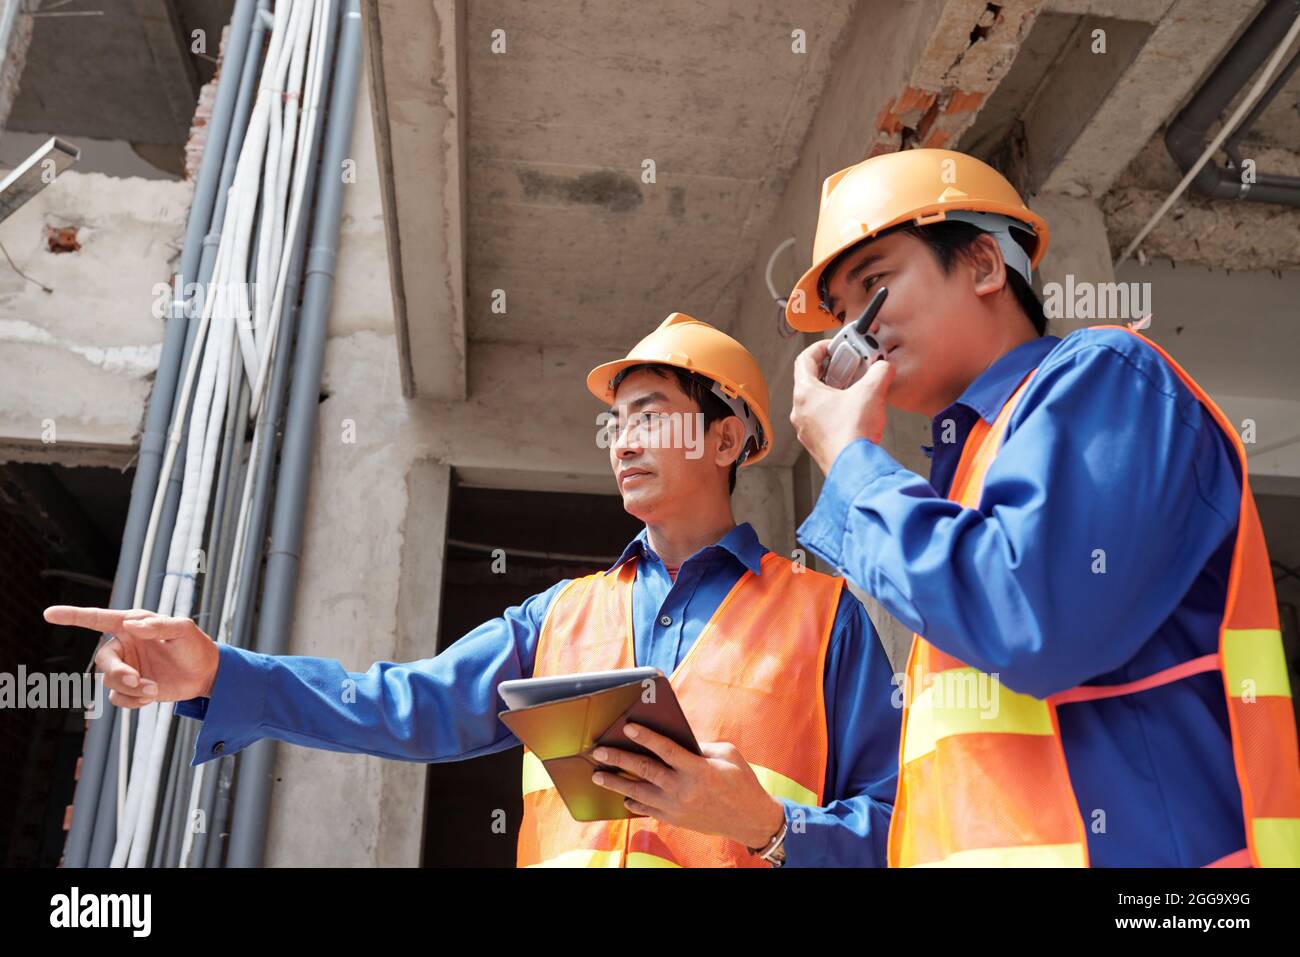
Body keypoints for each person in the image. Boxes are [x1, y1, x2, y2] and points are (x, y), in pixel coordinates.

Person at [47, 313, 900, 868]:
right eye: (617, 422)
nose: (623, 440)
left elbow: (897, 827)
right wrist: (220, 675)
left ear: (726, 438)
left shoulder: (824, 620)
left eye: (651, 414)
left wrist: (771, 828)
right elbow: (402, 704)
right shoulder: (559, 617)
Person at [786, 147, 1300, 867]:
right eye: (841, 314)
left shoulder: (1108, 377)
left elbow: (1029, 618)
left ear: (986, 265)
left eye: (875, 284)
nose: (857, 331)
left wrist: (850, 464)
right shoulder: (958, 485)